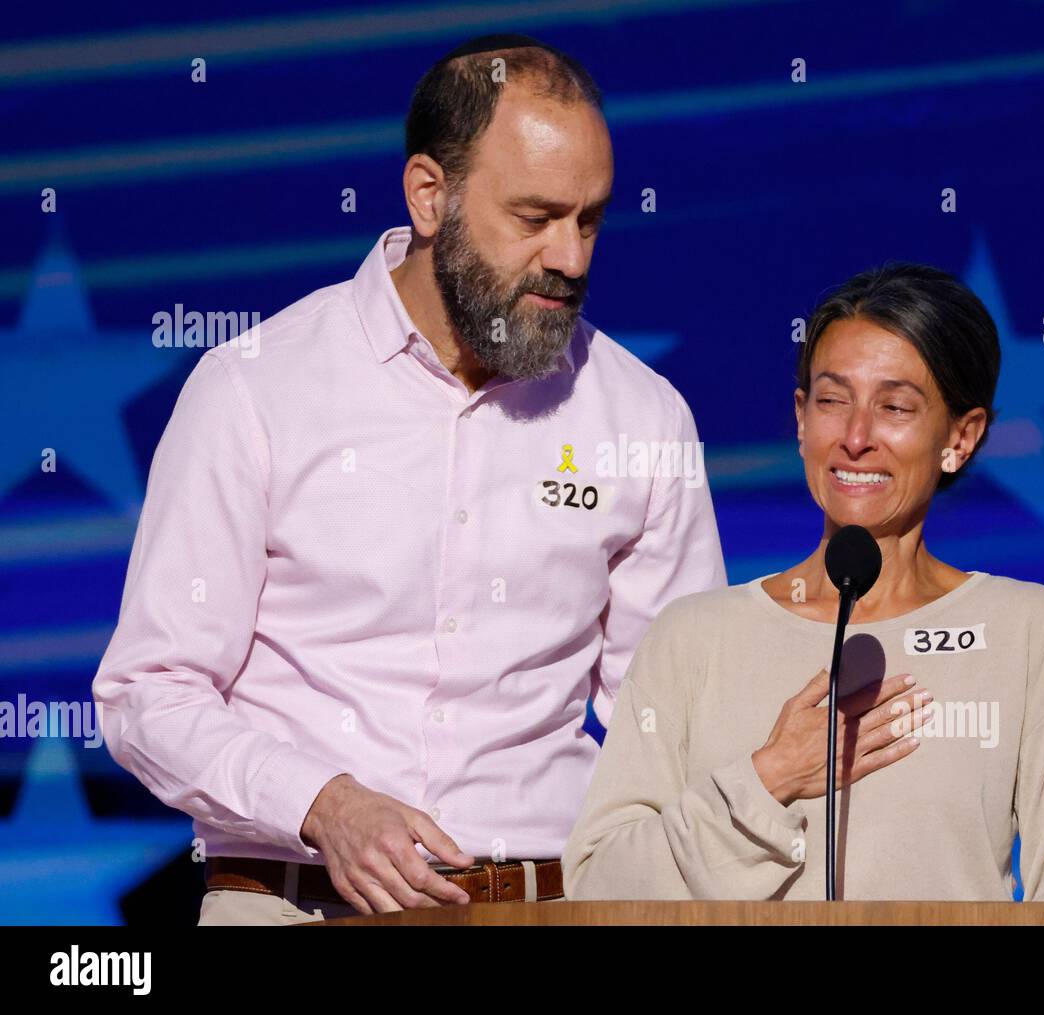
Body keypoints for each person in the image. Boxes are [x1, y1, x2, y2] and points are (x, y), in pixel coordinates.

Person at [91, 34, 726, 925]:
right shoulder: (254, 388)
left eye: (590, 220)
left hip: (549, 902)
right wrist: (323, 802)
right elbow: (148, 692)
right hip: (293, 901)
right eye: (535, 217)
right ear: (431, 195)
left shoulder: (642, 416)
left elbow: (671, 723)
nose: (572, 258)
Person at [562, 263, 1044, 902]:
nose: (856, 437)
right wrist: (767, 778)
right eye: (832, 400)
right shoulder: (694, 636)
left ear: (961, 438)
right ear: (801, 418)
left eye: (895, 406)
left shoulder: (1026, 630)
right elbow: (599, 885)